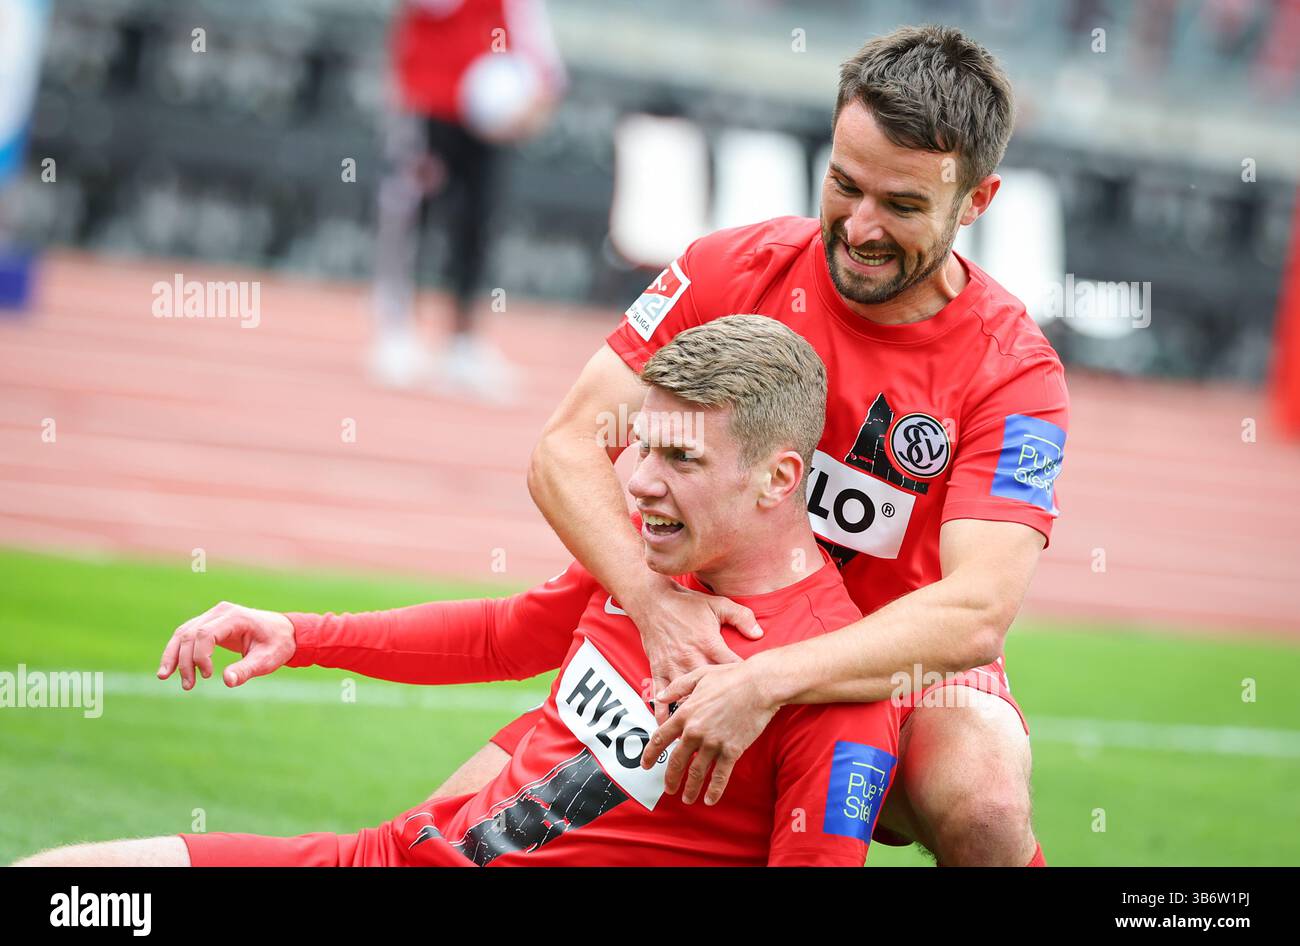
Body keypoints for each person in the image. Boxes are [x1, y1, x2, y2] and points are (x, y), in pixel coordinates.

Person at [439, 25, 1070, 867]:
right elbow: (565, 447)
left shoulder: (1014, 372)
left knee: (984, 802)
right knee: (438, 836)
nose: (862, 227)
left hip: (891, 659)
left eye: (905, 206)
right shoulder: (731, 271)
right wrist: (655, 603)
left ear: (977, 201)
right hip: (702, 624)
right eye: (845, 185)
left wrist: (767, 680)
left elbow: (978, 612)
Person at [14, 316, 899, 867]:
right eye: (638, 444)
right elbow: (501, 637)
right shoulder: (650, 563)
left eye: (681, 458)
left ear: (780, 479)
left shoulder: (827, 694)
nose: (634, 481)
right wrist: (299, 630)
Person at [370, 0, 565, 398]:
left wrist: (542, 90)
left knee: (477, 225)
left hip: (490, 120)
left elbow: (531, 31)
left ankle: (463, 341)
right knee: (412, 218)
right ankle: (396, 330)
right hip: (430, 103)